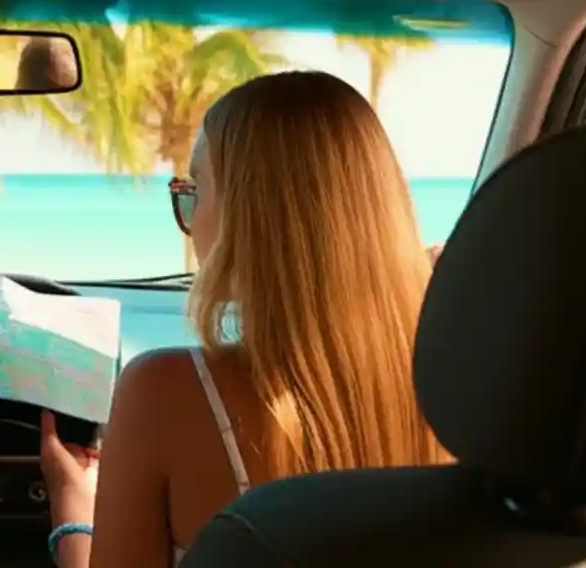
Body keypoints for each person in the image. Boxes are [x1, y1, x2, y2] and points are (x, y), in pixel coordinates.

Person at [38, 71, 448, 568]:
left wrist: (73, 510)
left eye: (194, 189)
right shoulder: (467, 395)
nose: (190, 221)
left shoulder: (167, 392)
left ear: (247, 214)